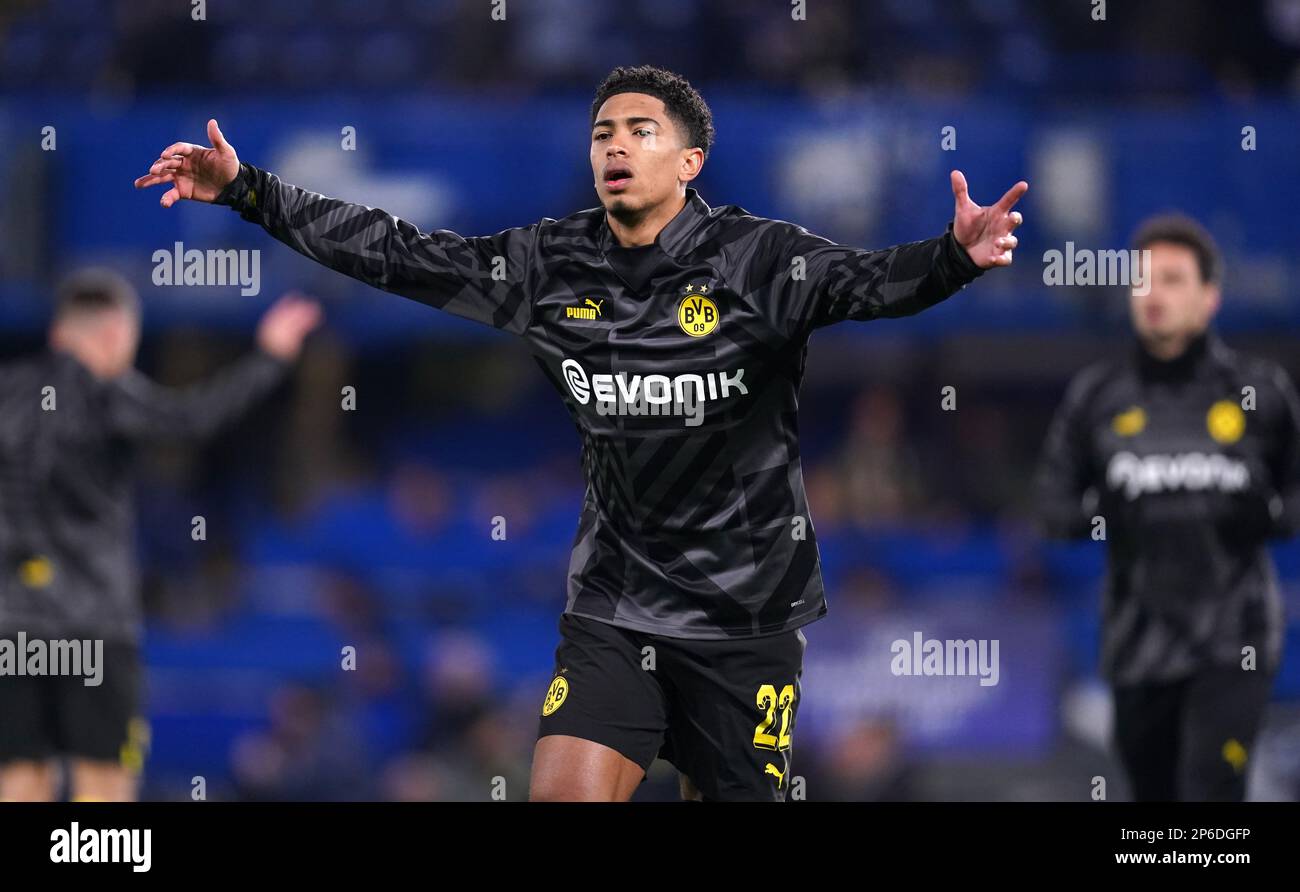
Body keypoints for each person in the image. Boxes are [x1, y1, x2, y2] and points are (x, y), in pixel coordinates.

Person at [134, 65, 1026, 801]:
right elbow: (397, 252)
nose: (615, 146)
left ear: (691, 161)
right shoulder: (546, 266)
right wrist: (250, 191)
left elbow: (873, 283)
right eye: (602, 132)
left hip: (744, 619)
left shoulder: (764, 261)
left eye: (640, 130)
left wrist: (953, 257)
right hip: (614, 609)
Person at [0, 269, 320, 801]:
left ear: (59, 331)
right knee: (103, 782)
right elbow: (190, 419)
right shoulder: (106, 393)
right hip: (93, 629)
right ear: (115, 334)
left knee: (18, 778)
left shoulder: (7, 391)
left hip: (11, 629)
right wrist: (271, 355)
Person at [1035, 214, 1300, 801]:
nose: (1153, 293)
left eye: (1173, 279)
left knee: (1210, 790)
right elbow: (1052, 511)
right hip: (1137, 646)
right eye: (1142, 279)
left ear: (1209, 299)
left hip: (1235, 639)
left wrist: (1266, 511)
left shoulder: (1261, 392)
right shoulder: (1096, 397)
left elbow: (1293, 498)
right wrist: (1106, 508)